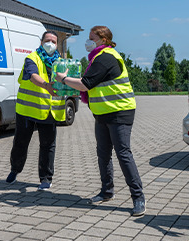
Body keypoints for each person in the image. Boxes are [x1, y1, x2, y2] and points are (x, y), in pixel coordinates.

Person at [54, 25, 145, 217]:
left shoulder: (106, 57)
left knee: (123, 153)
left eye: (91, 38)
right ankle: (107, 191)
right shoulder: (97, 57)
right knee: (103, 154)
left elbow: (85, 84)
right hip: (103, 113)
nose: (88, 41)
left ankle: (138, 197)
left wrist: (63, 79)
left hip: (119, 112)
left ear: (103, 40)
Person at [7, 31, 65, 190]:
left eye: (54, 41)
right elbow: (32, 76)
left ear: (57, 45)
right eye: (47, 40)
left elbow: (67, 81)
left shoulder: (61, 62)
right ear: (41, 42)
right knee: (21, 142)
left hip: (49, 111)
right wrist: (46, 85)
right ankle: (15, 170)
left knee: (48, 145)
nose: (50, 44)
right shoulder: (32, 58)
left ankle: (46, 178)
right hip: (28, 110)